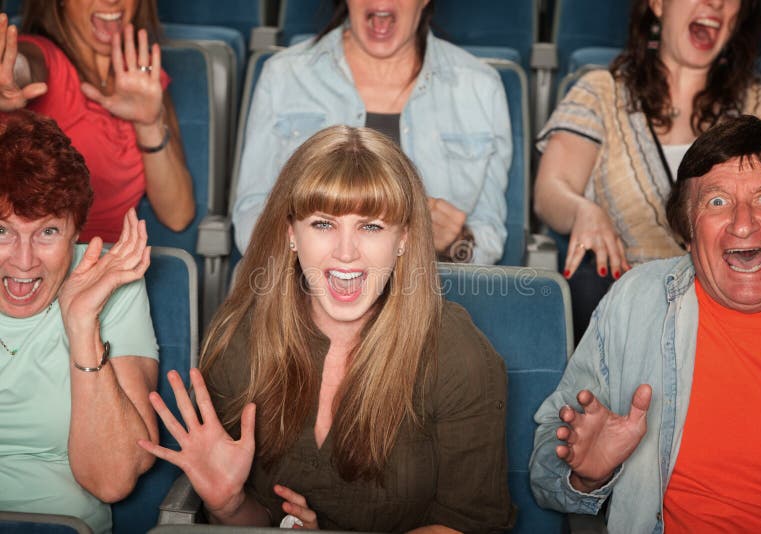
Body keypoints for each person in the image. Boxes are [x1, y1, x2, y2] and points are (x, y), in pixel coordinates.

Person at [140, 126, 516, 532]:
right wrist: (229, 505)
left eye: (370, 226)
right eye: (323, 224)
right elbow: (256, 521)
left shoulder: (458, 354)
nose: (346, 252)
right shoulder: (241, 340)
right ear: (291, 233)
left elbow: (466, 526)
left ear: (404, 237)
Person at [529, 115, 761, 532]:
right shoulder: (638, 300)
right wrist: (586, 474)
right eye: (716, 202)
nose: (742, 223)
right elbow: (548, 464)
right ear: (688, 231)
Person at [534, 0, 761, 339]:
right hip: (626, 305)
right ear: (658, 4)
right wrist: (582, 210)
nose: (715, 3)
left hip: (737, 305)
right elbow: (550, 190)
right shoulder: (601, 92)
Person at [232, 0, 511, 265]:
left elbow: (489, 236)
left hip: (428, 293)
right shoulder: (283, 75)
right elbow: (250, 218)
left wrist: (455, 243)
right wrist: (309, 248)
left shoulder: (480, 87)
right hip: (304, 292)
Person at [0, 110, 159, 533]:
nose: (24, 259)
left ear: (77, 233)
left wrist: (82, 324)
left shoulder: (112, 283)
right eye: (3, 231)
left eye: (48, 232)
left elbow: (113, 479)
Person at [0, 0, 194, 243]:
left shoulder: (143, 77)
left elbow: (179, 215)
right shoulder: (41, 55)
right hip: (37, 266)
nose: (111, 1)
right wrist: (10, 71)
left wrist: (148, 124)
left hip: (111, 266)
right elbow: (22, 66)